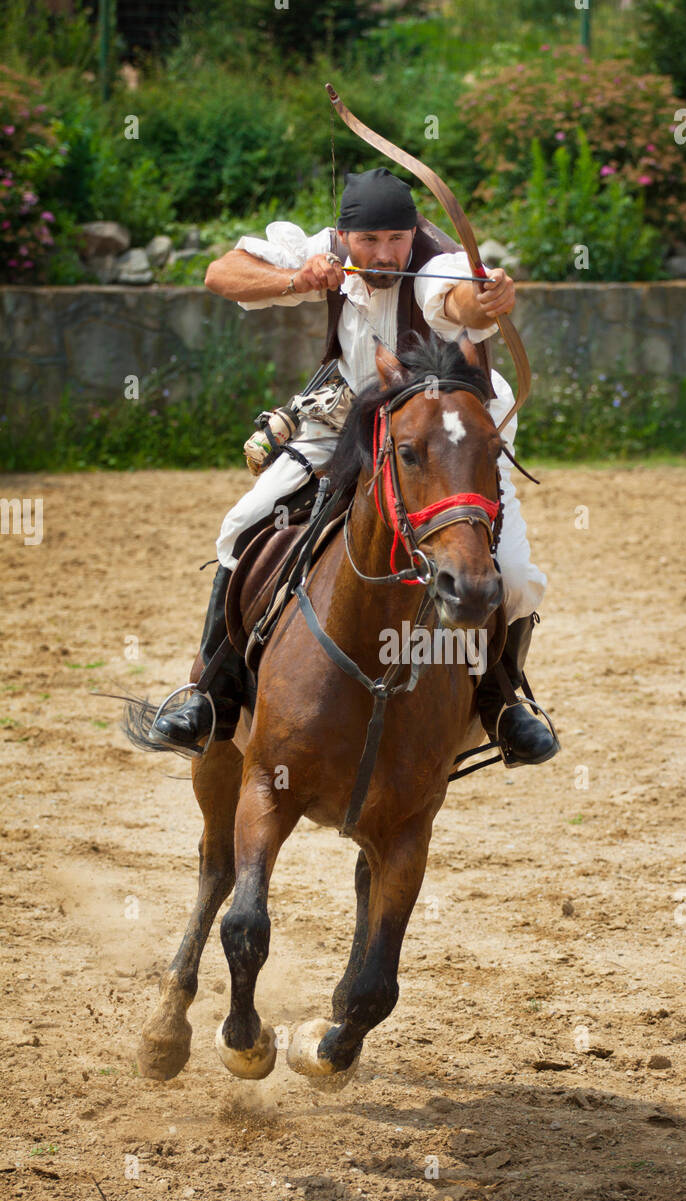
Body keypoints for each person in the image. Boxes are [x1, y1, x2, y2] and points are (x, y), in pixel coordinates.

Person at [152, 167, 557, 766]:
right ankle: (215, 693)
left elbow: (457, 299)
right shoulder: (326, 251)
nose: (387, 253)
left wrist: (486, 295)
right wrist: (297, 276)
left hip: (447, 443)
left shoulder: (433, 261)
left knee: (516, 577)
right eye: (370, 242)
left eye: (398, 237)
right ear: (345, 236)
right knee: (241, 525)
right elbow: (221, 273)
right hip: (348, 423)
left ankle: (501, 702)